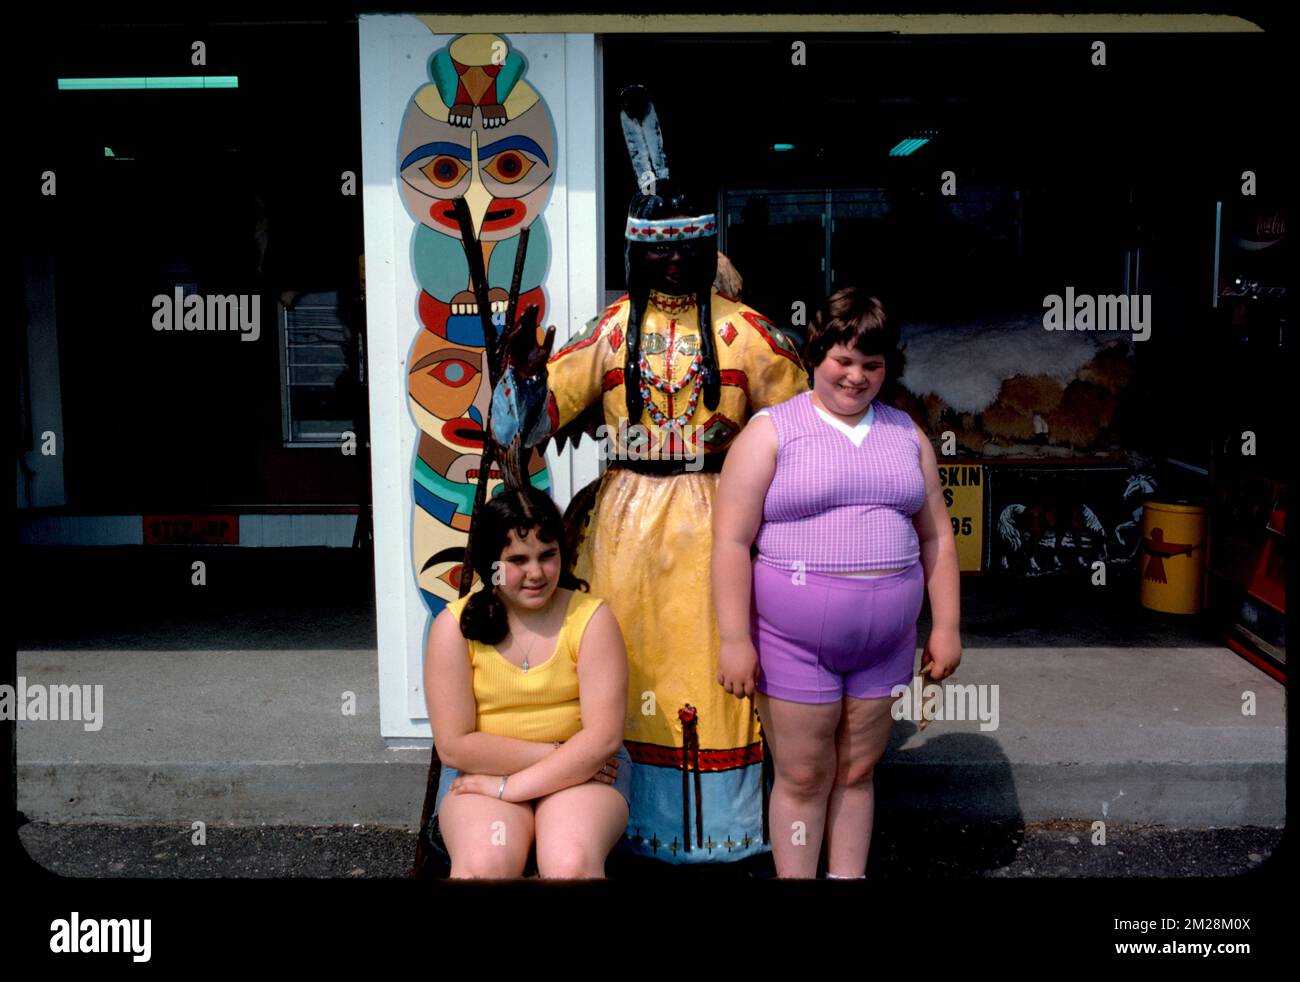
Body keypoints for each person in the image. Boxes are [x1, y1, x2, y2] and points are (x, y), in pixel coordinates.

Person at [489, 86, 809, 865]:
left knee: (716, 668)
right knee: (619, 666)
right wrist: (521, 380)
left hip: (723, 527)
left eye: (684, 246)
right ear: (635, 249)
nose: (670, 260)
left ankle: (722, 839)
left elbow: (804, 440)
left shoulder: (751, 334)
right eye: (655, 247)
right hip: (621, 532)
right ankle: (617, 825)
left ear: (708, 246)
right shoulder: (608, 331)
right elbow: (518, 435)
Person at [713, 287, 962, 878]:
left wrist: (947, 625)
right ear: (816, 355)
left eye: (871, 365)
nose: (856, 377)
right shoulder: (772, 431)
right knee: (802, 777)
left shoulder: (907, 434)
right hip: (790, 644)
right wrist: (733, 639)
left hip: (885, 646)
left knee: (856, 773)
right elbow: (729, 543)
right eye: (842, 360)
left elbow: (938, 538)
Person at [423, 487, 630, 878]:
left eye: (547, 556)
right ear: (490, 564)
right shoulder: (453, 627)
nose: (536, 573)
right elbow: (454, 746)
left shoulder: (592, 619)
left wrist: (512, 788)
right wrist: (555, 755)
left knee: (570, 865)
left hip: (587, 773)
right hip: (484, 770)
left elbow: (602, 739)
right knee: (483, 866)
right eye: (517, 560)